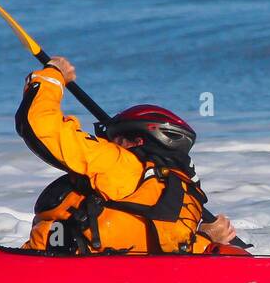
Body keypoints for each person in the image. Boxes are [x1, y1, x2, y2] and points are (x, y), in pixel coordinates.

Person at [16, 57, 240, 254]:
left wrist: (52, 75)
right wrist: (207, 240)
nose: (106, 142)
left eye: (115, 137)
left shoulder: (120, 162)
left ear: (137, 141)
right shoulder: (182, 193)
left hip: (53, 272)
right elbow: (169, 257)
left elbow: (40, 126)